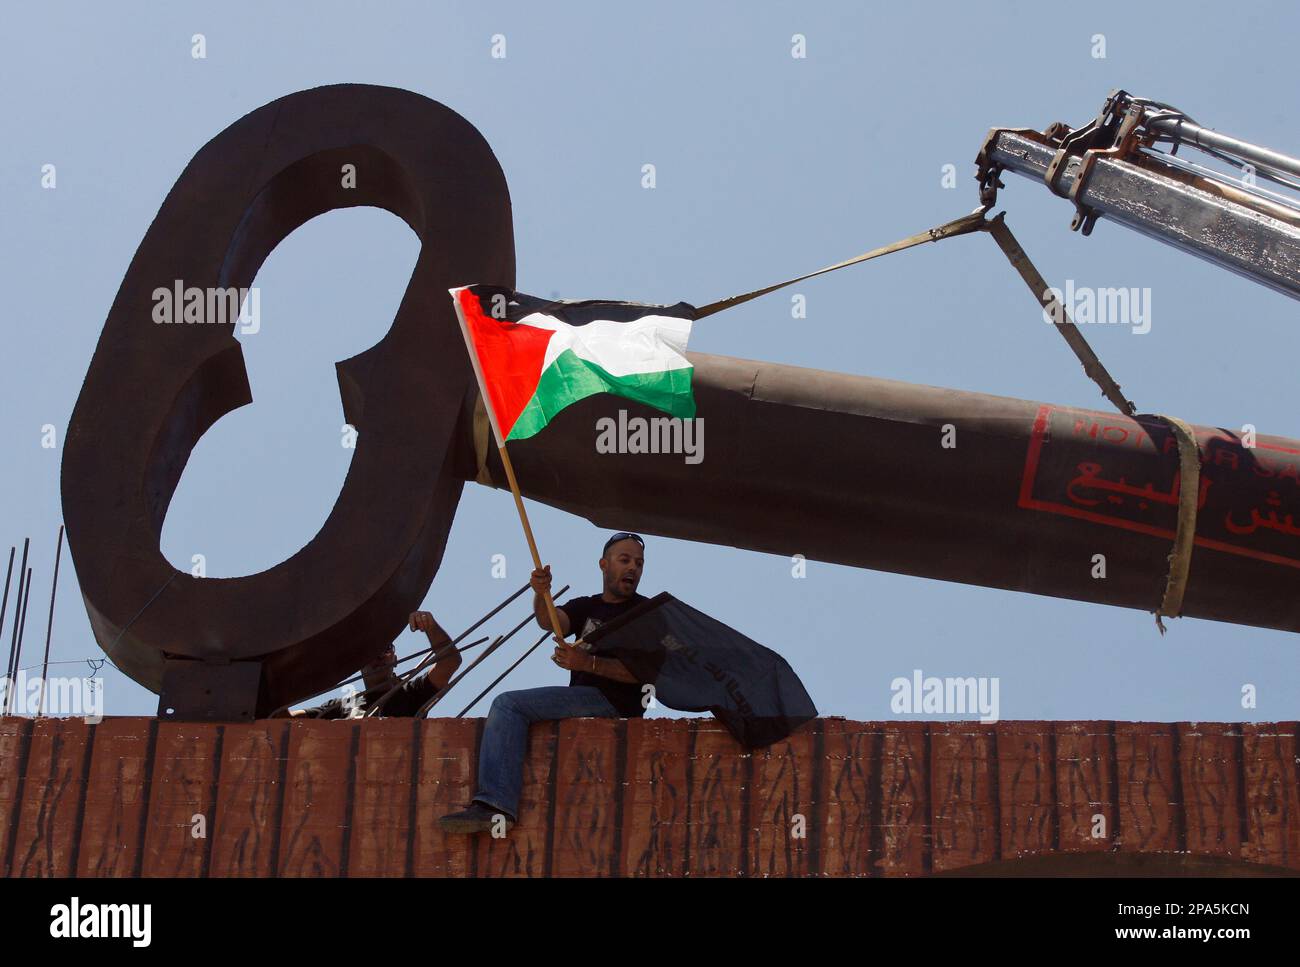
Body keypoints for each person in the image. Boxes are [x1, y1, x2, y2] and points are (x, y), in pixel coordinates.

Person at [438, 532, 650, 834]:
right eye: (625, 560)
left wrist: (587, 664)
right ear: (604, 565)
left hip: (615, 703)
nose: (633, 568)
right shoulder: (587, 606)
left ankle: (496, 805)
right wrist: (540, 593)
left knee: (508, 705)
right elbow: (549, 621)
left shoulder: (645, 613)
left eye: (639, 563)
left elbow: (644, 673)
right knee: (511, 706)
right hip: (584, 699)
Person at [287, 611, 461, 718]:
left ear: (395, 659)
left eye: (385, 649)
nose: (377, 657)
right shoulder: (345, 706)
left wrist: (430, 625)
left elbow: (450, 662)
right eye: (369, 652)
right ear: (359, 663)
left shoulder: (412, 693)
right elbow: (288, 720)